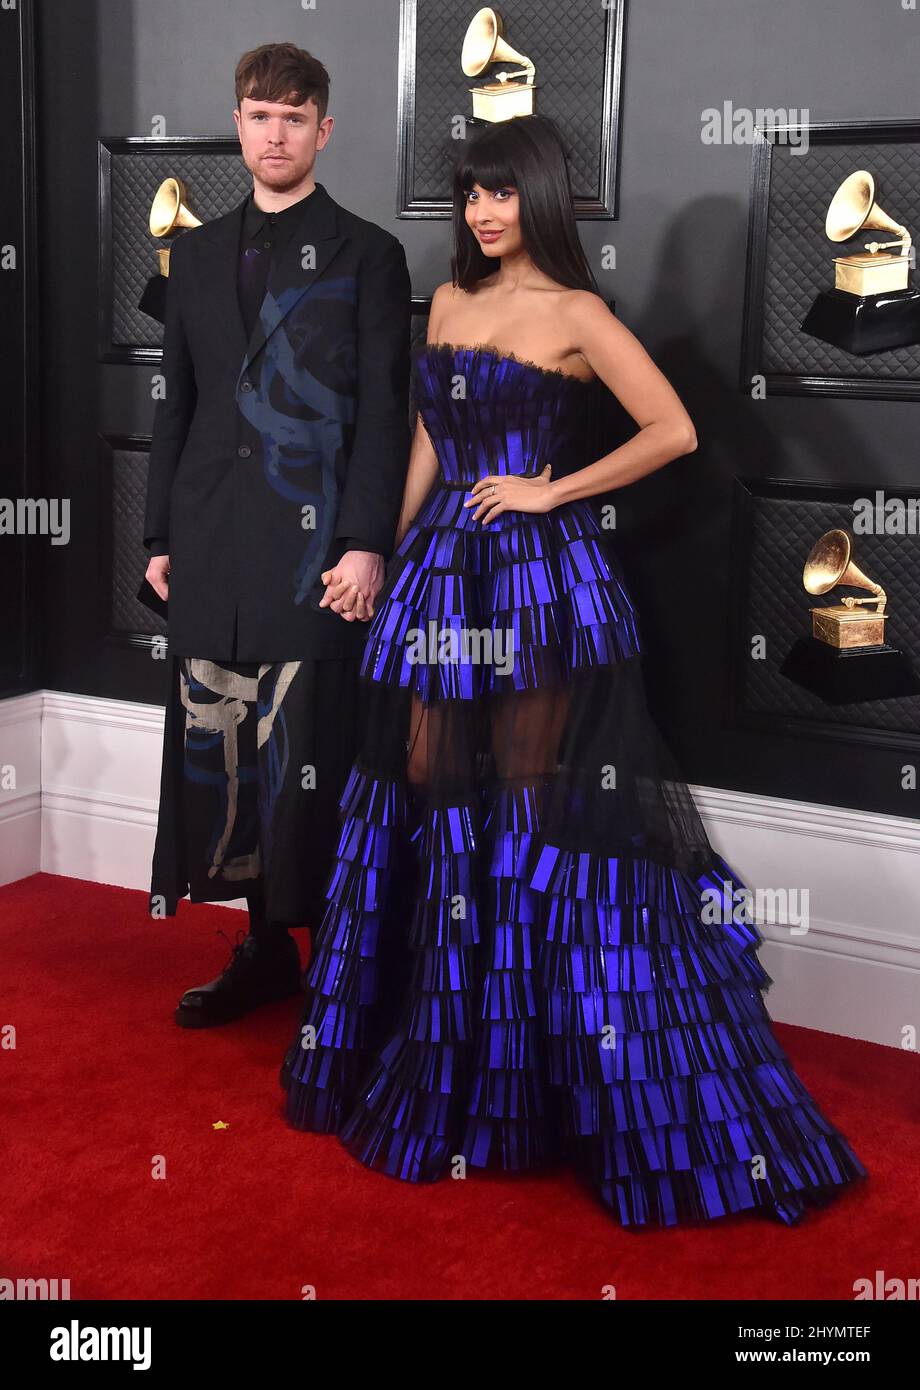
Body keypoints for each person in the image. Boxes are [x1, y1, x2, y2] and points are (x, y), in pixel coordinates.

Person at [280, 114, 867, 1229]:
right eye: (469, 193)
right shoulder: (448, 301)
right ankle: (444, 1040)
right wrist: (385, 551)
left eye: (500, 194)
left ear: (539, 197)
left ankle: (528, 1076)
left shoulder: (577, 313)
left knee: (529, 806)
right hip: (444, 572)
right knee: (424, 782)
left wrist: (555, 490)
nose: (481, 212)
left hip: (544, 585)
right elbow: (421, 436)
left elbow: (674, 430)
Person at [142, 42, 410, 1028]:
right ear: (239, 121)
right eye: (259, 114)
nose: (274, 133)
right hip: (211, 541)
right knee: (229, 752)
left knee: (309, 747)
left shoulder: (369, 255)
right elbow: (178, 404)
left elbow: (384, 414)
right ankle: (261, 951)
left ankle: (334, 959)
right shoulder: (198, 253)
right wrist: (156, 536)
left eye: (294, 118)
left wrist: (365, 542)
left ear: (323, 129)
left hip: (317, 550)